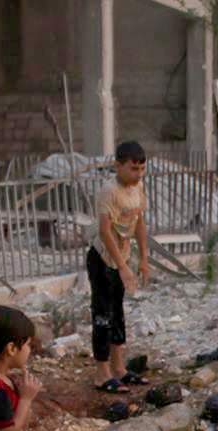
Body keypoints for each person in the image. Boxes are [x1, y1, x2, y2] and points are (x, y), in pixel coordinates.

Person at [86, 140, 150, 393]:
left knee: (117, 313)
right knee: (102, 315)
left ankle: (119, 368)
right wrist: (122, 267)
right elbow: (104, 232)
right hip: (103, 259)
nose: (138, 174)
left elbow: (139, 223)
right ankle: (101, 374)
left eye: (141, 169)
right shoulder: (108, 191)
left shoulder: (138, 188)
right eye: (133, 169)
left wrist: (143, 258)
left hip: (122, 256)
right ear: (118, 166)